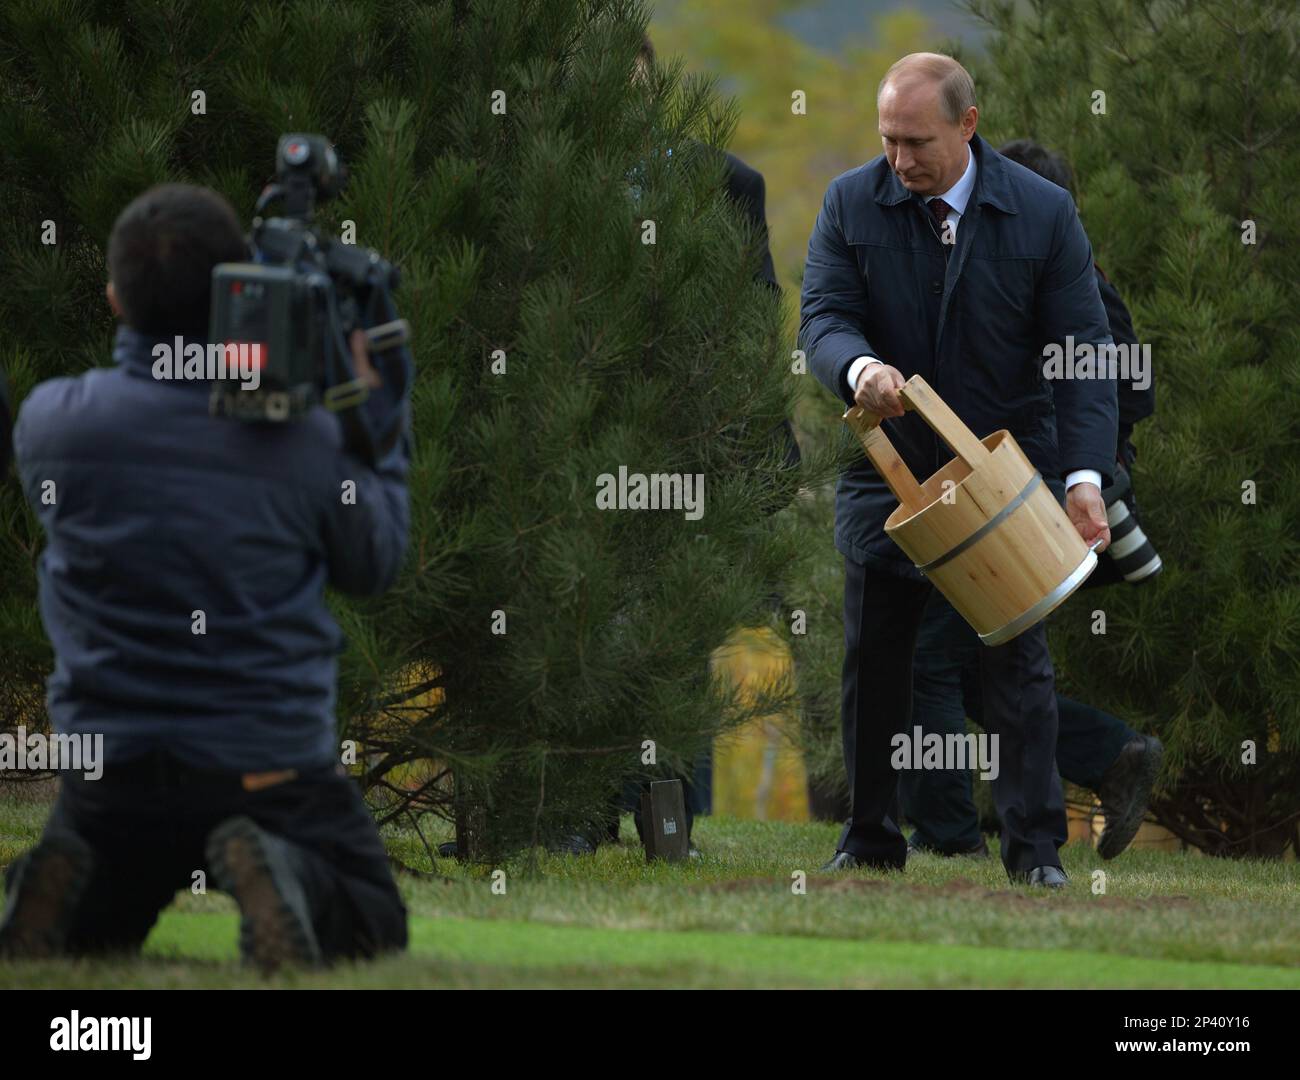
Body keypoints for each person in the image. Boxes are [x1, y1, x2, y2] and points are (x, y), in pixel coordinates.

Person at [1, 183, 411, 967]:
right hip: (265, 765)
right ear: (240, 288)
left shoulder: (52, 423)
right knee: (370, 919)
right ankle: (284, 867)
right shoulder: (305, 440)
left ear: (116, 296)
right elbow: (375, 562)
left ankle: (61, 883)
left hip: (112, 770)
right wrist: (379, 423)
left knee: (101, 924)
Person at [799, 53, 1118, 887]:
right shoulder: (849, 203)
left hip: (1009, 474)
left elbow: (1084, 352)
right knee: (876, 658)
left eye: (918, 142)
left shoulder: (1044, 215)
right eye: (888, 140)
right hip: (890, 475)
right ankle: (869, 838)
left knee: (1017, 663)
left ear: (968, 125)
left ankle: (1036, 852)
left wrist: (1084, 476)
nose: (900, 160)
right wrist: (857, 368)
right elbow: (824, 315)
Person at [898, 139, 1164, 862]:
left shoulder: (1076, 283)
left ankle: (950, 836)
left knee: (933, 662)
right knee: (986, 668)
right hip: (1003, 498)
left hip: (1029, 501)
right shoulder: (1039, 273)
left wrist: (1071, 464)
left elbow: (1130, 392)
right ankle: (1112, 753)